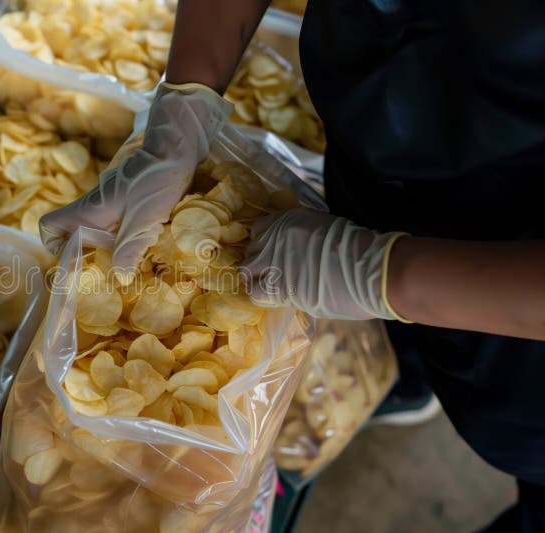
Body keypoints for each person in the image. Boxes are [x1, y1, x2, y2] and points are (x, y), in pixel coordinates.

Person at [39, 1, 545, 531]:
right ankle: (411, 376)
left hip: (521, 298)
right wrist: (184, 106)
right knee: (406, 342)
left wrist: (390, 276)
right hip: (375, 156)